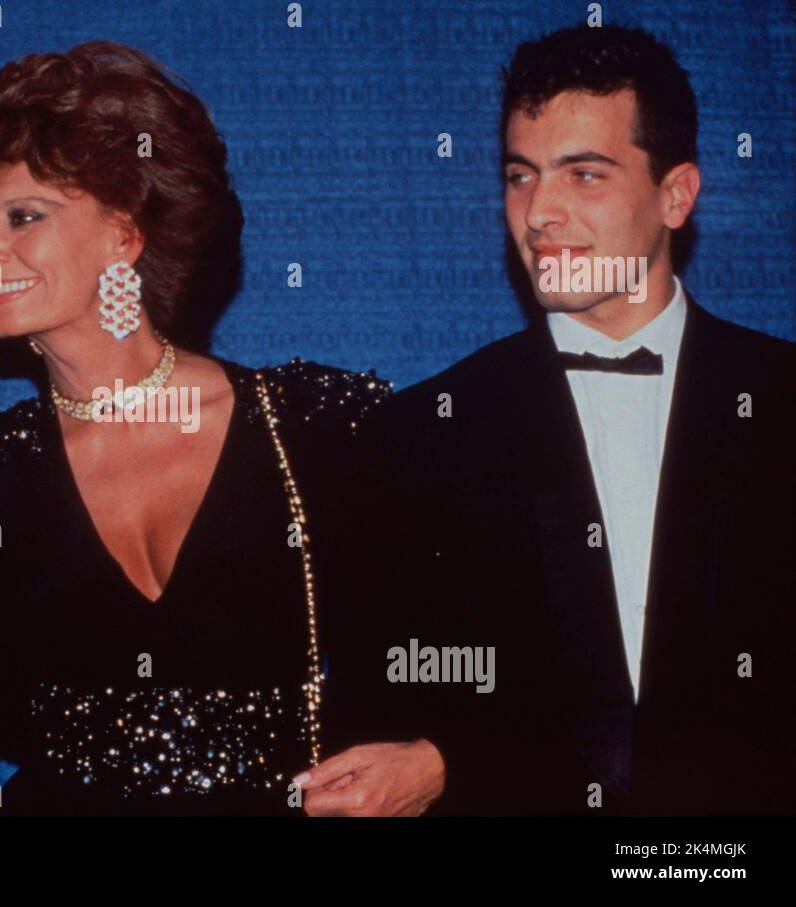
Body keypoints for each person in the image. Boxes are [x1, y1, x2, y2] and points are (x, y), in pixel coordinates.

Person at [0, 41, 445, 816]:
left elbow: (485, 638)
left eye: (22, 216)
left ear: (124, 235)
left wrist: (437, 759)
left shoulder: (312, 427)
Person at [317, 24, 794, 816]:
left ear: (676, 195)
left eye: (585, 174)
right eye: (520, 175)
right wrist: (451, 755)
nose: (540, 213)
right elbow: (388, 695)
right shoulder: (418, 434)